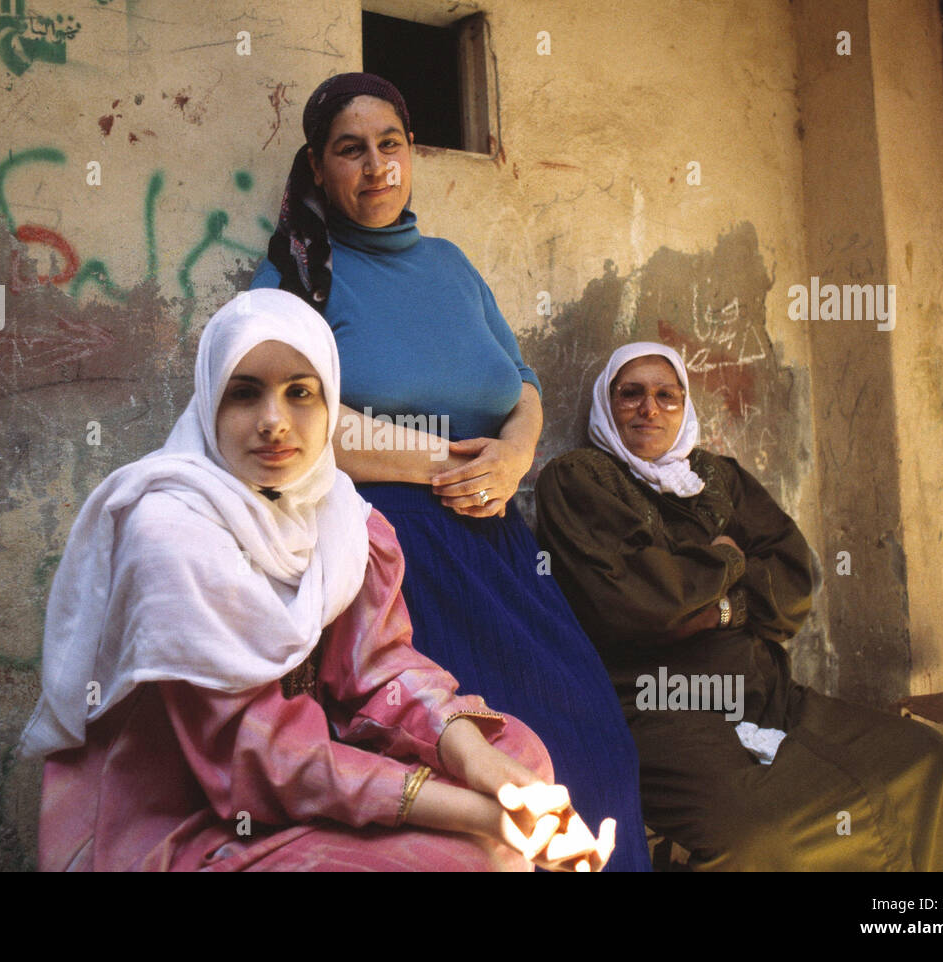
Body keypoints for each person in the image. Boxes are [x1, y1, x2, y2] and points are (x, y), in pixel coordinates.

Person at [17, 288, 615, 872]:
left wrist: (481, 766)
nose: (274, 422)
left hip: (311, 777)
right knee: (464, 853)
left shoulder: (339, 515)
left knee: (518, 758)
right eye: (244, 394)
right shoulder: (170, 533)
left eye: (300, 393)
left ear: (332, 405)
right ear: (207, 404)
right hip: (193, 817)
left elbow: (380, 671)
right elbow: (258, 759)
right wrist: (483, 815)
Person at [250, 73, 651, 871]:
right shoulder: (299, 280)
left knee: (590, 740)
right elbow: (289, 428)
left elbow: (523, 384)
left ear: (412, 154)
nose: (375, 167)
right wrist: (444, 461)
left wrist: (514, 455)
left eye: (390, 145)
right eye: (350, 150)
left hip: (502, 544)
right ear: (318, 167)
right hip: (396, 557)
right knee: (477, 769)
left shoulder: (451, 266)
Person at [533, 341, 943, 871]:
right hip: (658, 711)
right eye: (631, 395)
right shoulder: (579, 479)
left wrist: (718, 607)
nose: (649, 409)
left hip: (768, 695)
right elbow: (641, 602)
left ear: (684, 407)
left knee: (926, 760)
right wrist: (727, 561)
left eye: (666, 396)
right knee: (766, 835)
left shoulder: (721, 477)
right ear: (607, 404)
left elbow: (792, 585)